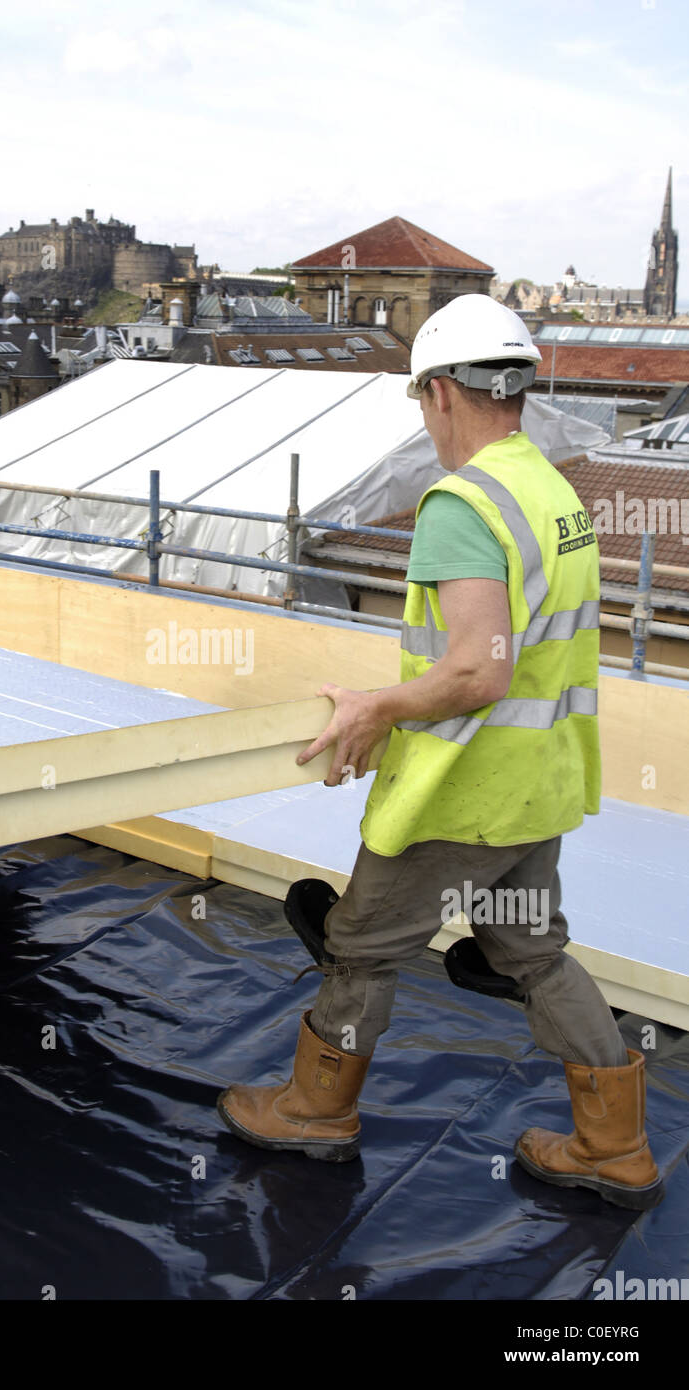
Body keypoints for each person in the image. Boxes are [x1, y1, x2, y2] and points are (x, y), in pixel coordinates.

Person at [217, 294, 663, 1211]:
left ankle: (314, 1112)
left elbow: (474, 672)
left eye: (423, 395)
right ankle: (614, 1147)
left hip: (461, 795)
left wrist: (374, 706)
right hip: (537, 786)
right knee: (534, 952)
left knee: (360, 948)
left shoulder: (461, 505)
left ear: (441, 394)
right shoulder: (554, 490)